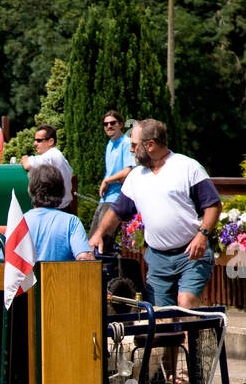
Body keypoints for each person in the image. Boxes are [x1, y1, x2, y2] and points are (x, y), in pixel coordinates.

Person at [88, 118, 221, 310]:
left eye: (134, 145)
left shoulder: (187, 167)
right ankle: (175, 340)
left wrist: (203, 235)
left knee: (185, 302)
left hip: (191, 253)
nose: (131, 150)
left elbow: (213, 205)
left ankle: (194, 338)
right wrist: (99, 234)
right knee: (161, 317)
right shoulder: (135, 176)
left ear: (150, 145)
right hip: (158, 259)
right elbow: (116, 212)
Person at [23, 165, 94, 262]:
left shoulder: (19, 222)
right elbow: (84, 258)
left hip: (27, 277)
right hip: (61, 276)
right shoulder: (71, 222)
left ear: (30, 190)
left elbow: (3, 261)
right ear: (61, 190)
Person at [91, 108, 135, 247]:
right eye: (106, 124)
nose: (109, 126)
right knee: (93, 238)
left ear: (120, 124)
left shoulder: (126, 143)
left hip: (117, 198)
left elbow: (128, 171)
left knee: (103, 241)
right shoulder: (109, 144)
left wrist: (107, 180)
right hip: (105, 198)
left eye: (112, 123)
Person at [19, 125, 74, 211]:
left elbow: (27, 165)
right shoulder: (57, 155)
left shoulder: (52, 155)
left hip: (56, 210)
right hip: (64, 208)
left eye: (39, 140)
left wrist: (24, 158)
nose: (35, 143)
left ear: (50, 141)